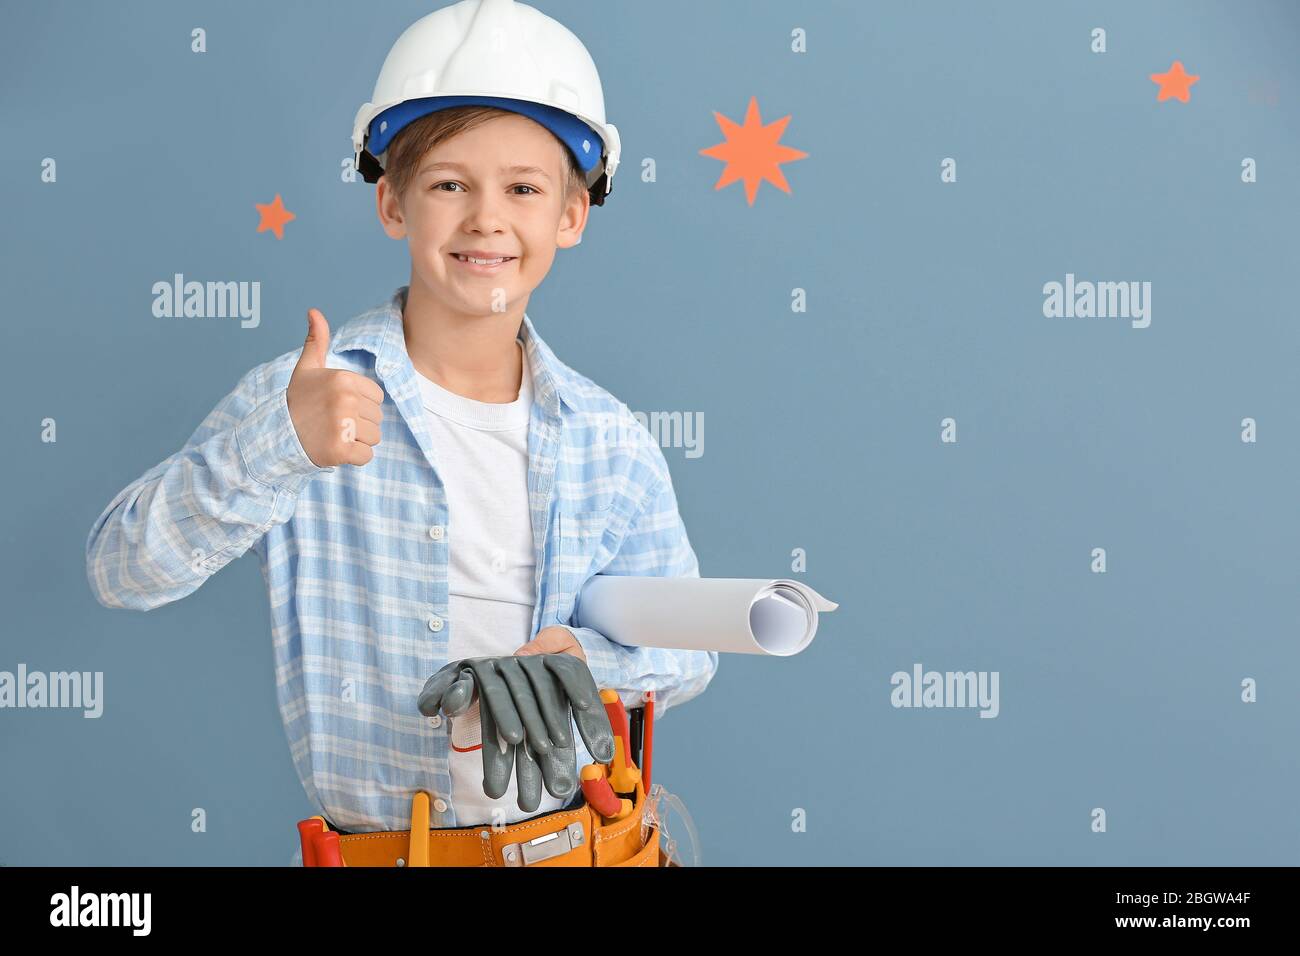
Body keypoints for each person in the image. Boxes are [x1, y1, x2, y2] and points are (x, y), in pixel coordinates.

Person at [84, 0, 718, 843]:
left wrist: (580, 663)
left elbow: (692, 647)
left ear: (571, 215)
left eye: (523, 189)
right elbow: (121, 570)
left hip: (582, 849)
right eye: (449, 183)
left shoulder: (611, 442)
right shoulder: (305, 400)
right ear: (393, 205)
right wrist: (280, 449)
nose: (486, 218)